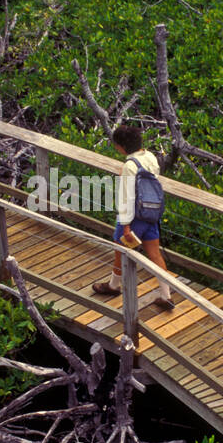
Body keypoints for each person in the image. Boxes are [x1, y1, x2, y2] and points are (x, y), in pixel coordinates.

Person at [92, 124, 175, 313]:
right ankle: (166, 295)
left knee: (120, 250)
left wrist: (126, 226)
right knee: (155, 254)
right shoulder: (150, 157)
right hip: (151, 214)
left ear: (121, 146)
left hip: (134, 218)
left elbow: (127, 198)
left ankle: (114, 286)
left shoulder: (130, 166)